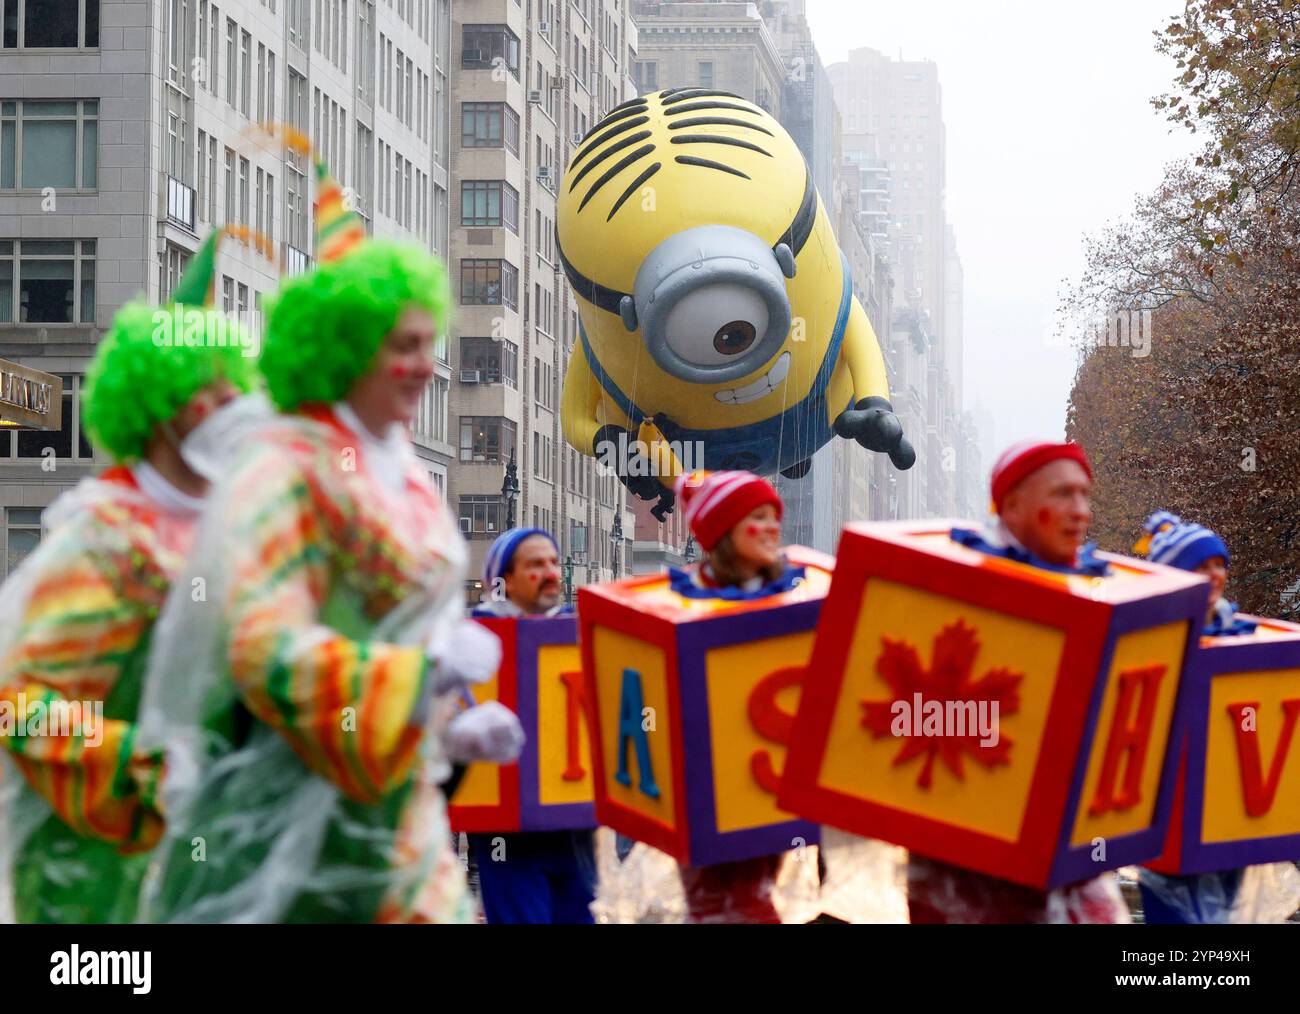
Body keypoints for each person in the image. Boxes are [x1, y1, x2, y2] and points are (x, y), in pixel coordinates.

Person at [135, 168, 524, 923]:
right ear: (346, 349)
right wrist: (415, 679)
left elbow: (400, 624)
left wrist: (445, 729)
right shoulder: (282, 468)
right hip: (285, 835)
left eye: (428, 345)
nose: (425, 366)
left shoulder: (401, 475)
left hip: (394, 827)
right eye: (402, 347)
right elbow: (259, 643)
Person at [0, 289, 258, 923]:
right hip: (96, 891)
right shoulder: (102, 541)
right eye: (217, 398)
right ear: (164, 408)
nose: (238, 413)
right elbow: (17, 707)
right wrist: (142, 768)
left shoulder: (243, 531)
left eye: (238, 396)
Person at [912, 440, 1129, 923]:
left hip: (1068, 853)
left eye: (1085, 496)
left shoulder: (1102, 595)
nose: (1082, 512)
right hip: (965, 860)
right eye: (1064, 495)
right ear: (1012, 505)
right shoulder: (949, 593)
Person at [669, 470, 805, 923]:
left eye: (775, 519)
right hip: (706, 791)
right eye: (758, 517)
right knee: (719, 900)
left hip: (773, 788)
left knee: (759, 893)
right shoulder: (681, 603)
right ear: (724, 531)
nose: (772, 529)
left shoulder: (798, 597)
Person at [1135, 512, 1270, 923]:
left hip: (1230, 811)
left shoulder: (1245, 639)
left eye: (1219, 565)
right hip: (1167, 820)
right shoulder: (1143, 640)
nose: (1215, 575)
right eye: (1201, 566)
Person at [465, 527, 598, 924]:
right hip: (507, 831)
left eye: (554, 562)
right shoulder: (471, 644)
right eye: (536, 565)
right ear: (503, 581)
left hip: (575, 826)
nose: (552, 572)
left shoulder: (583, 634)